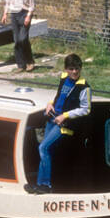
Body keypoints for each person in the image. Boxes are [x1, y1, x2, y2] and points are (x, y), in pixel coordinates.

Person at [27, 53, 90, 194]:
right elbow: (58, 96)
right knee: (45, 150)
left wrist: (65, 116)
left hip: (64, 125)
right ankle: (39, 184)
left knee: (43, 148)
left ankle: (46, 185)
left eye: (77, 69)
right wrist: (50, 104)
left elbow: (86, 109)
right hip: (52, 118)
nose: (74, 72)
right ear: (66, 69)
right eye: (71, 69)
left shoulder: (84, 87)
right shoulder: (63, 79)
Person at [0, 0, 35, 72]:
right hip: (14, 14)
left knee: (23, 39)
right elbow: (8, 0)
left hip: (24, 13)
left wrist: (28, 16)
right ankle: (20, 65)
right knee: (16, 41)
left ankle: (30, 62)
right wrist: (5, 13)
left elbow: (32, 4)